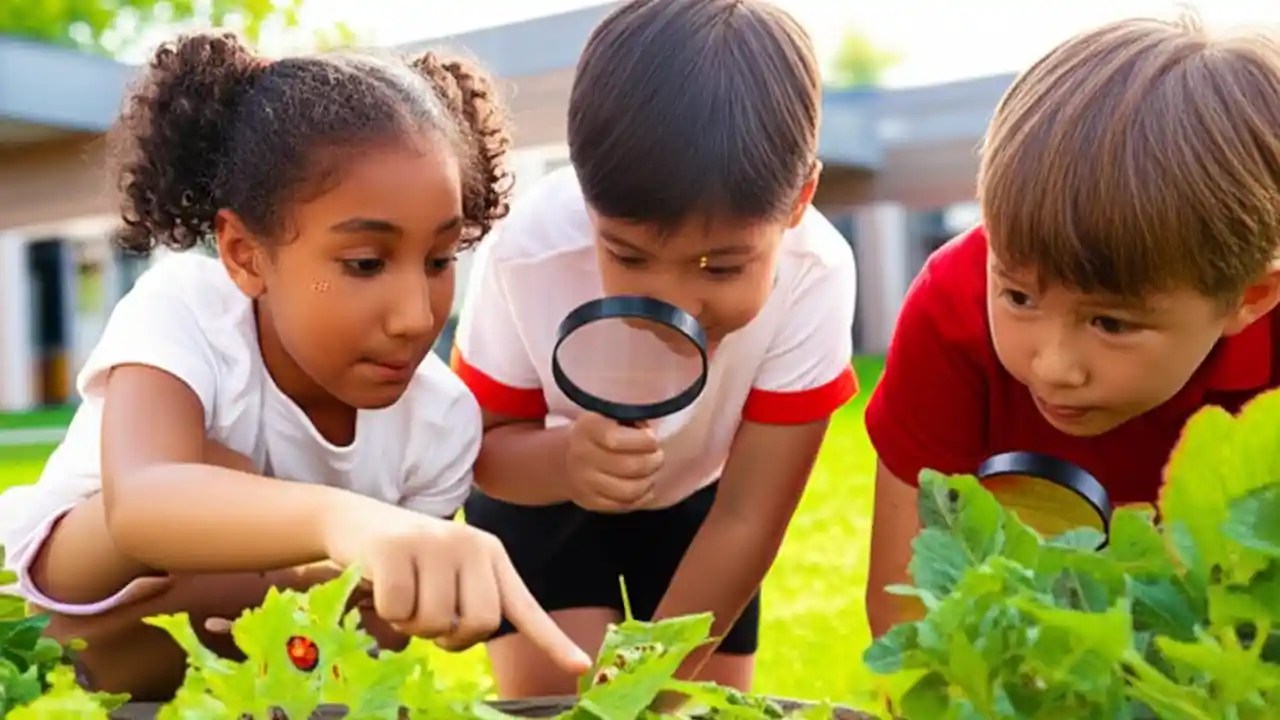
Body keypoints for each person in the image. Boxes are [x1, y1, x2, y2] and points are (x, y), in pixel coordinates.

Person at [0, 31, 591, 699]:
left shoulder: (441, 422)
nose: (416, 316)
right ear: (245, 254)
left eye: (438, 261)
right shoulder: (186, 311)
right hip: (53, 636)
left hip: (249, 684)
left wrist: (412, 590)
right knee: (187, 487)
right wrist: (348, 526)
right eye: (365, 264)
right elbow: (139, 507)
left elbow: (360, 653)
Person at [449, 0, 858, 698]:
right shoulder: (529, 249)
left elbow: (749, 517)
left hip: (706, 507)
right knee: (562, 703)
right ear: (584, 194)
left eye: (722, 268)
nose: (671, 305)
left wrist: (654, 685)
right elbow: (481, 453)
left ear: (798, 202)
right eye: (628, 256)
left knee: (688, 704)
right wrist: (567, 462)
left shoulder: (815, 272)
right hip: (546, 498)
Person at [863, 14, 1280, 637]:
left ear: (1249, 297)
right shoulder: (951, 307)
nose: (1053, 366)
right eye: (1019, 297)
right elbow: (908, 606)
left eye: (1111, 322)